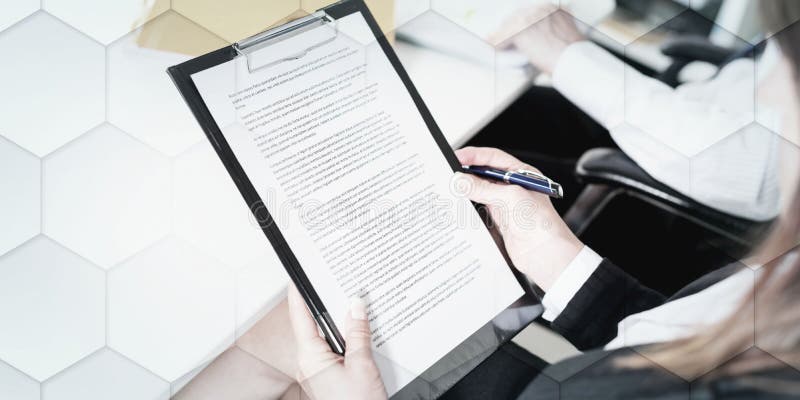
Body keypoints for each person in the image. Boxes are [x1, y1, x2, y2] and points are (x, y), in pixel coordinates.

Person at [287, 1, 800, 398]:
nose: (770, 87)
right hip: (595, 362)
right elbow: (671, 338)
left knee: (288, 338)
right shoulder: (781, 295)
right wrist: (557, 258)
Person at [469, 4, 783, 221]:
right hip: (695, 112)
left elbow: (756, 170)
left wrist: (567, 56)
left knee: (458, 167)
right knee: (493, 115)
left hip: (676, 188)